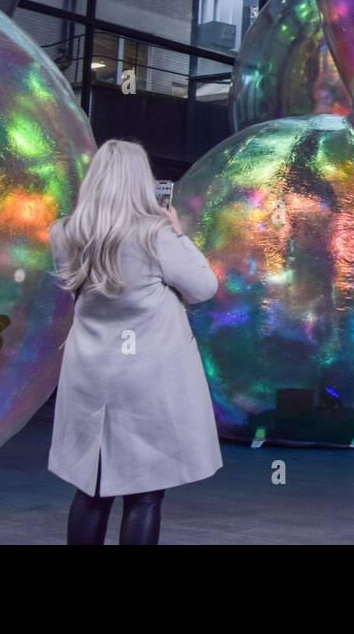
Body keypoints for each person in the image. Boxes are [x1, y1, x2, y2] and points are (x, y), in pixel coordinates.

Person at [48, 139, 220, 545]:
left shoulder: (64, 233)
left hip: (89, 374)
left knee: (91, 488)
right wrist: (178, 234)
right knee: (144, 493)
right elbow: (205, 287)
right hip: (147, 379)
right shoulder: (154, 235)